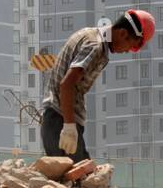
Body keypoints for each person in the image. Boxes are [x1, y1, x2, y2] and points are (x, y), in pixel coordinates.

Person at [40, 9, 155, 162]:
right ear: (122, 33)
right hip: (60, 121)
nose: (127, 51)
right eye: (131, 46)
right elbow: (66, 84)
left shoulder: (90, 34)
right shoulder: (96, 47)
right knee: (76, 181)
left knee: (87, 177)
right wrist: (68, 127)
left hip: (59, 120)